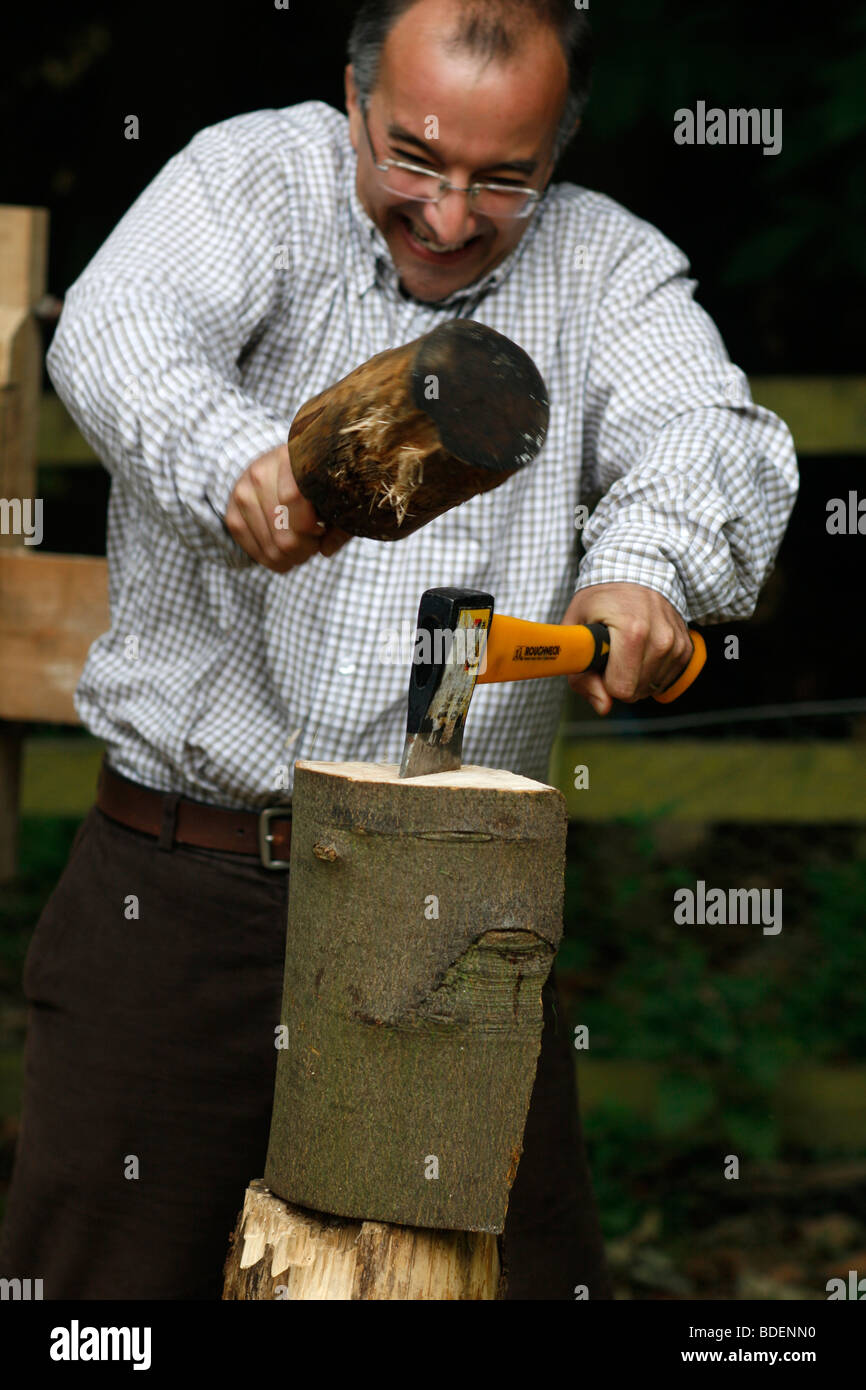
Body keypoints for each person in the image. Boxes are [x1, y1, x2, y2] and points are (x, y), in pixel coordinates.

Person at [0, 0, 798, 1300]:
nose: (445, 214)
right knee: (97, 1308)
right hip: (182, 888)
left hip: (458, 907)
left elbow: (714, 436)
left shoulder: (607, 269)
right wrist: (236, 466)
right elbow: (116, 329)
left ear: (561, 146)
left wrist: (643, 568)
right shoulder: (250, 178)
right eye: (413, 160)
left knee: (507, 1284)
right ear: (356, 100)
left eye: (502, 179)